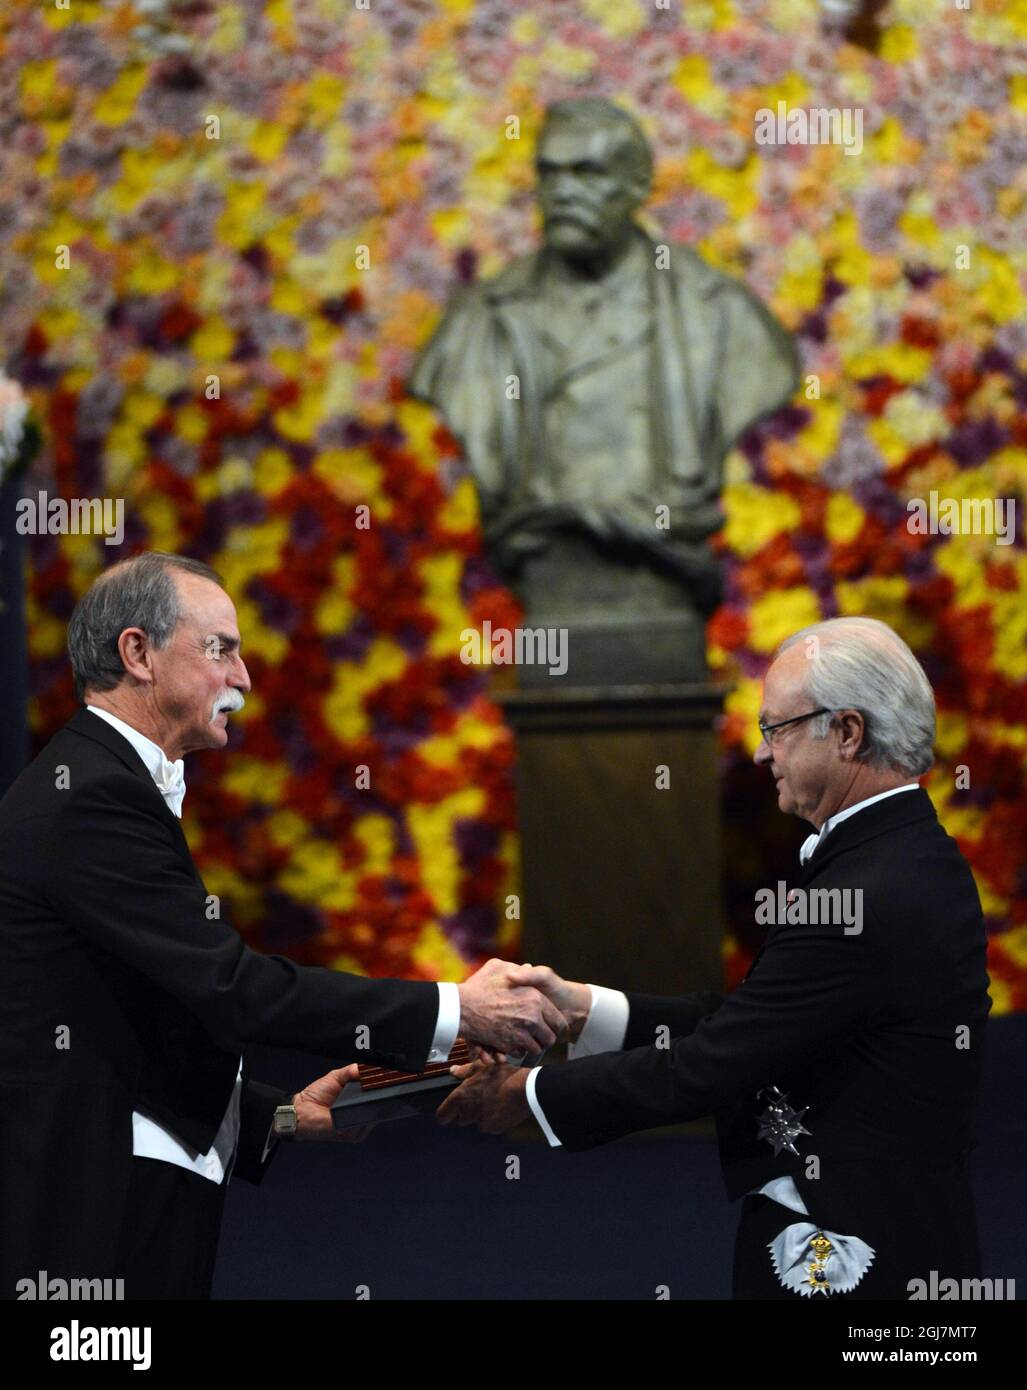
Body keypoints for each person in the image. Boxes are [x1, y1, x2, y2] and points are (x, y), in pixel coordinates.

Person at [0, 551, 567, 1300]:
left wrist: (282, 1116)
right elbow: (230, 987)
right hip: (90, 1225)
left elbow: (130, 1014)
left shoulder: (102, 783)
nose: (243, 680)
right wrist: (457, 1010)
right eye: (221, 650)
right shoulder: (87, 800)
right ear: (137, 654)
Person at [438, 617, 992, 1299]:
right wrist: (581, 1009)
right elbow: (761, 1019)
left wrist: (523, 1093)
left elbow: (714, 1064)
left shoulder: (868, 889)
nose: (762, 754)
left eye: (777, 729)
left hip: (859, 1260)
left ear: (847, 732)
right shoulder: (900, 854)